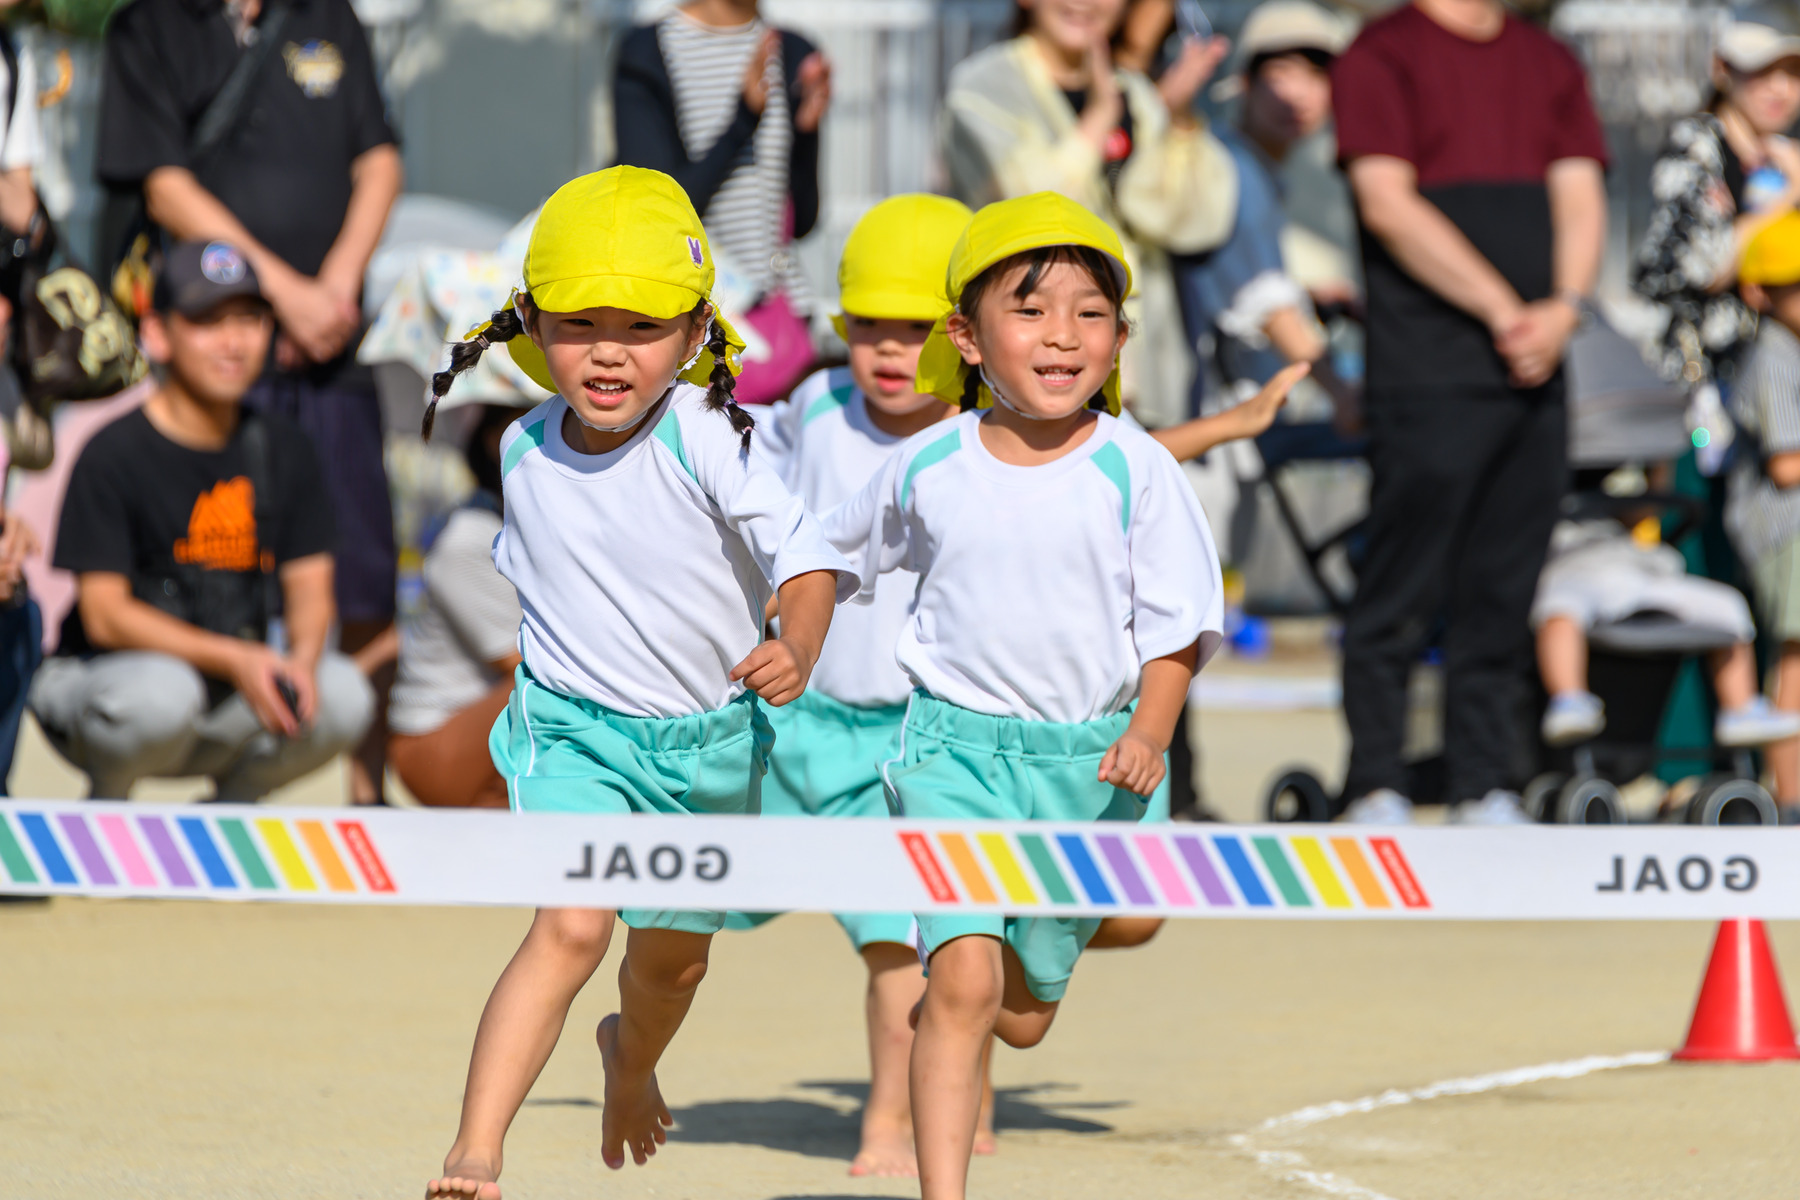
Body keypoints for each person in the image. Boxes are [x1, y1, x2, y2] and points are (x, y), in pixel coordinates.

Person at [422, 167, 852, 1200]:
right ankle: (474, 1154)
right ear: (529, 320)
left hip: (704, 750)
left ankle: (633, 1056)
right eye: (579, 324)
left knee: (670, 969)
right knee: (569, 924)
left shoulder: (711, 434)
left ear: (699, 329)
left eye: (643, 325)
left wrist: (797, 644)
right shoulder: (523, 448)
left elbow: (808, 565)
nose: (609, 351)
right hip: (572, 734)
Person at [822, 192, 1225, 1200]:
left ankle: (1029, 970)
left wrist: (1150, 730)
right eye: (1031, 309)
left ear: (1120, 338)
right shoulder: (929, 463)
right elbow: (820, 550)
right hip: (953, 752)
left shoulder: (1137, 468)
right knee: (956, 979)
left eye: (1091, 314)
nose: (1062, 336)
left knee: (1023, 1009)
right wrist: (793, 638)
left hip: (1093, 761)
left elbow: (1176, 628)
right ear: (965, 336)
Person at [96, 0, 405, 806]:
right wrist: (280, 297)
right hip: (215, 347)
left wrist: (333, 287)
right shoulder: (148, 25)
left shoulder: (329, 15)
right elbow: (162, 187)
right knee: (190, 557)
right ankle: (127, 782)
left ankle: (367, 788)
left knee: (366, 570)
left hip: (333, 345)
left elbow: (379, 160)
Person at [1330, 0, 1609, 824]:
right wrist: (1503, 310)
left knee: (1504, 581)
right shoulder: (1382, 54)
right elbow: (1386, 201)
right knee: (1402, 581)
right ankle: (1375, 778)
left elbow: (1582, 193)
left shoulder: (1548, 60)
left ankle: (1484, 779)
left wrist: (1562, 310)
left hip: (1539, 370)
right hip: (1430, 369)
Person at [741, 192, 971, 1177]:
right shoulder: (814, 408)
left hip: (913, 740)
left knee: (903, 947)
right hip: (795, 723)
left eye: (915, 329)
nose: (887, 349)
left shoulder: (983, 436)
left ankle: (898, 1114)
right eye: (868, 325)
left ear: (963, 335)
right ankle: (639, 1054)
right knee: (672, 908)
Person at [27, 241, 374, 801]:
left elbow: (312, 591)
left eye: (249, 319)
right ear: (158, 333)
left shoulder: (287, 448)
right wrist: (236, 658)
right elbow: (105, 616)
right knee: (161, 695)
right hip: (107, 685)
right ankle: (107, 807)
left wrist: (302, 663)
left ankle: (224, 817)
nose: (234, 341)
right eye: (207, 322)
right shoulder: (111, 451)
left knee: (344, 693)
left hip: (227, 691)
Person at [940, 0, 1239, 428]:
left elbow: (1189, 220)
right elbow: (1028, 208)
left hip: (1141, 349)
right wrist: (1100, 116)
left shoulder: (1132, 91)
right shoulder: (982, 88)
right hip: (1034, 358)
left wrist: (1177, 116)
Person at [613, 0, 831, 405]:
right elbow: (656, 205)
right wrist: (743, 123)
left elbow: (802, 219)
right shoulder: (648, 50)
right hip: (693, 321)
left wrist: (807, 135)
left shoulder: (793, 50)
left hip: (779, 322)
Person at [1169, 0, 1357, 414]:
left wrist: (1314, 298)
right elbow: (1266, 302)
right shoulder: (1232, 167)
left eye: (1316, 74)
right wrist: (1341, 394)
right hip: (1205, 405)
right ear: (1245, 83)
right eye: (1279, 72)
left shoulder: (1255, 166)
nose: (1296, 93)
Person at [1533, 505, 1800, 751]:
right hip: (1564, 562)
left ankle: (1742, 711)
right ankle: (1569, 701)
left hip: (1631, 565)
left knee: (1729, 605)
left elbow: (1643, 511)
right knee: (1560, 606)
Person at [1634, 19, 1800, 394]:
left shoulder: (1781, 155)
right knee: (1704, 450)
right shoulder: (1695, 148)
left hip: (1772, 368)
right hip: (1702, 374)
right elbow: (1704, 267)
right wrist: (1788, 196)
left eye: (1792, 75)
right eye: (1763, 73)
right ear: (1723, 71)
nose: (1781, 89)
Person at [386, 404, 525, 809]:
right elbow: (521, 664)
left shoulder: (529, 526)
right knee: (562, 687)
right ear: (494, 439)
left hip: (489, 726)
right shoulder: (469, 537)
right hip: (433, 740)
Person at [1725, 210, 1800, 820]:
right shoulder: (1774, 357)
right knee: (1797, 663)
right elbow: (1786, 467)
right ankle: (1792, 797)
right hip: (1787, 530)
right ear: (1761, 292)